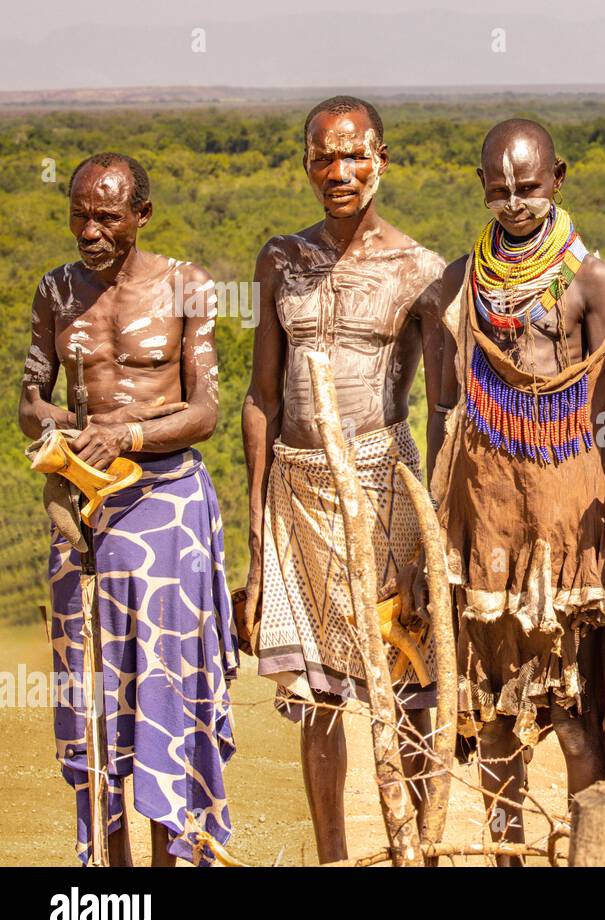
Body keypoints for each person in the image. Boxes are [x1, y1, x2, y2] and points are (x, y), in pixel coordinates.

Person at [242, 95, 445, 863]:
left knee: (410, 688)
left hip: (383, 484)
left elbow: (438, 411)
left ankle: (417, 849)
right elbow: (262, 397)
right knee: (319, 696)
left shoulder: (420, 271)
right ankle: (332, 857)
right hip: (294, 489)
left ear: (383, 161)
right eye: (323, 155)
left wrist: (432, 538)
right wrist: (258, 538)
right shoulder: (280, 261)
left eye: (355, 154)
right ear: (305, 163)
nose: (340, 170)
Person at [19, 151, 237, 865]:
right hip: (82, 508)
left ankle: (176, 855)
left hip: (167, 507)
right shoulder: (56, 292)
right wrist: (66, 423)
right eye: (79, 214)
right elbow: (28, 404)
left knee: (165, 697)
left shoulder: (185, 287)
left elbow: (205, 410)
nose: (89, 230)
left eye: (107, 216)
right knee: (95, 704)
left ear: (141, 215)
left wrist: (129, 431)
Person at [423, 119, 605, 863]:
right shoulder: (460, 279)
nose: (514, 202)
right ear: (481, 187)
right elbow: (443, 404)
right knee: (496, 710)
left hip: (569, 508)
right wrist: (440, 512)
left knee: (573, 707)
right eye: (499, 188)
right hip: (488, 509)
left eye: (529, 187)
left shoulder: (591, 279)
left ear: (559, 178)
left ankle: (585, 852)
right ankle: (506, 856)